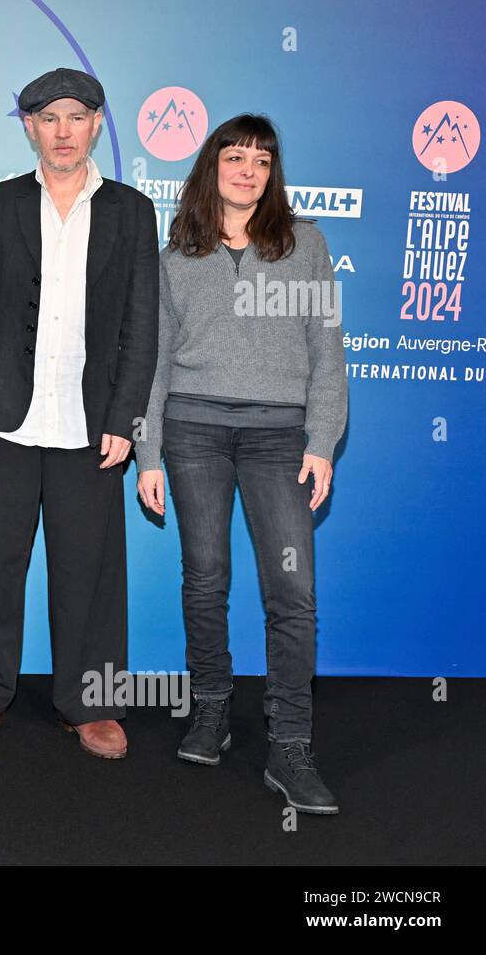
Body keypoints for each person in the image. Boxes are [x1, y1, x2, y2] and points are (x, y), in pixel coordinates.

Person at [0, 67, 158, 758]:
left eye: (76, 117)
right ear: (29, 127)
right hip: (3, 420)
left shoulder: (131, 211)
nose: (62, 132)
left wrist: (125, 419)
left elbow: (142, 328)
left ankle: (90, 704)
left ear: (97, 123)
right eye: (48, 118)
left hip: (91, 425)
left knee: (89, 572)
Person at [135, 114, 347, 814]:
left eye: (262, 158)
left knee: (293, 595)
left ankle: (290, 745)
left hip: (280, 438)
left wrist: (321, 443)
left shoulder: (306, 244)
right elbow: (156, 361)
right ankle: (214, 709)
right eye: (235, 155)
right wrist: (147, 453)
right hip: (192, 431)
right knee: (206, 577)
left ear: (272, 172)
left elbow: (328, 351)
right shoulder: (175, 256)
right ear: (212, 166)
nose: (248, 168)